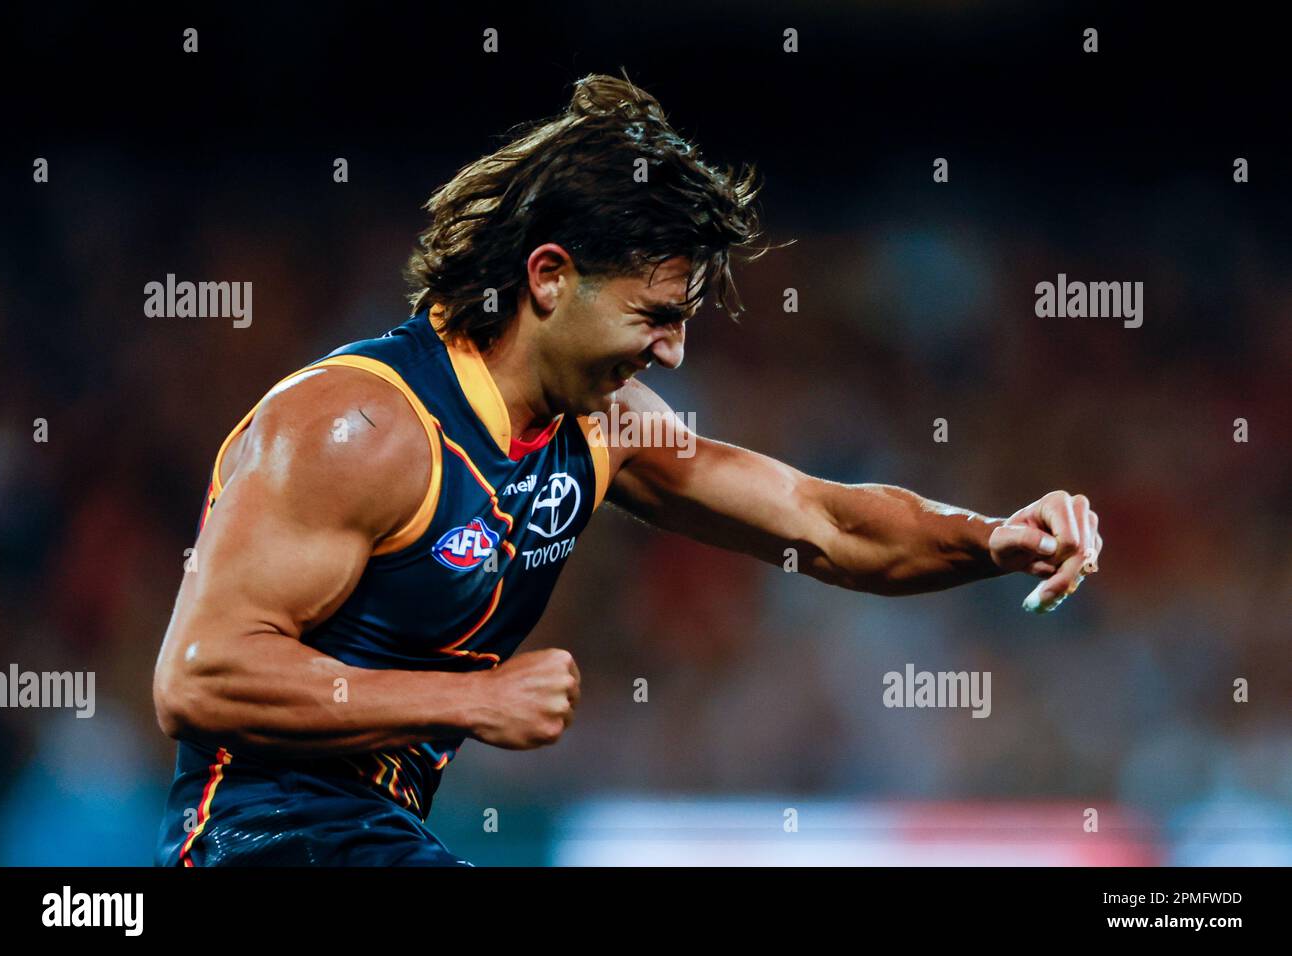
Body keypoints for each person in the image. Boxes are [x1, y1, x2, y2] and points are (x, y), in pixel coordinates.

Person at [152, 73, 1102, 866]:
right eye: (656, 315)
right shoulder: (358, 427)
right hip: (258, 837)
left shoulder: (601, 428)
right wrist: (469, 698)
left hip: (382, 837)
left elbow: (825, 523)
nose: (675, 354)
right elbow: (198, 677)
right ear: (550, 276)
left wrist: (992, 538)